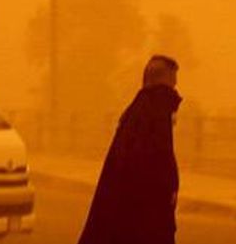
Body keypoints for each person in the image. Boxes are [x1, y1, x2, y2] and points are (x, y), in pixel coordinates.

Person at [78, 55, 182, 244]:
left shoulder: (135, 113)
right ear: (161, 84)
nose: (174, 93)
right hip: (146, 215)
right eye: (171, 86)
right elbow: (159, 162)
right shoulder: (155, 113)